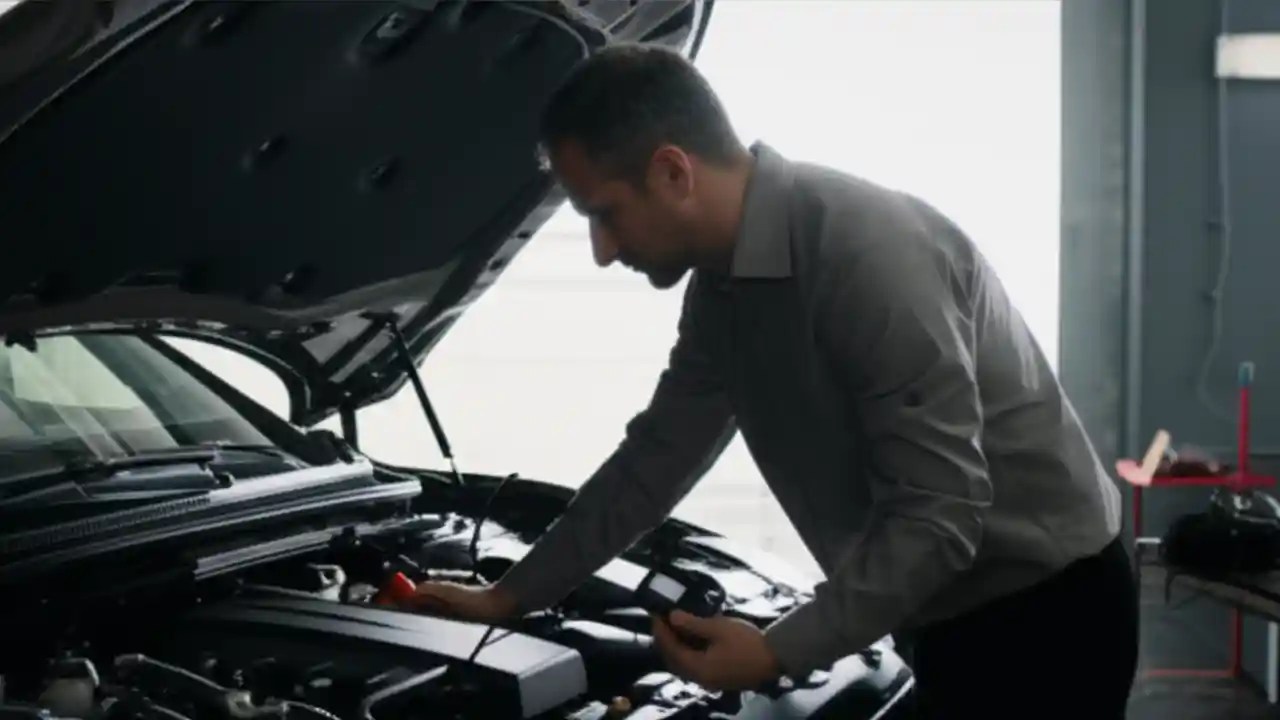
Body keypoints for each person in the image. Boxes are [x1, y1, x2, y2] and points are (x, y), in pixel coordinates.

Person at [409, 44, 1138, 717]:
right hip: (936, 608)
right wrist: (509, 596)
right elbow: (656, 459)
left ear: (672, 171)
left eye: (605, 214)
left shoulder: (867, 258)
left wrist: (776, 650)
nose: (602, 251)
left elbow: (941, 514)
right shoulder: (723, 290)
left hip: (1044, 611)